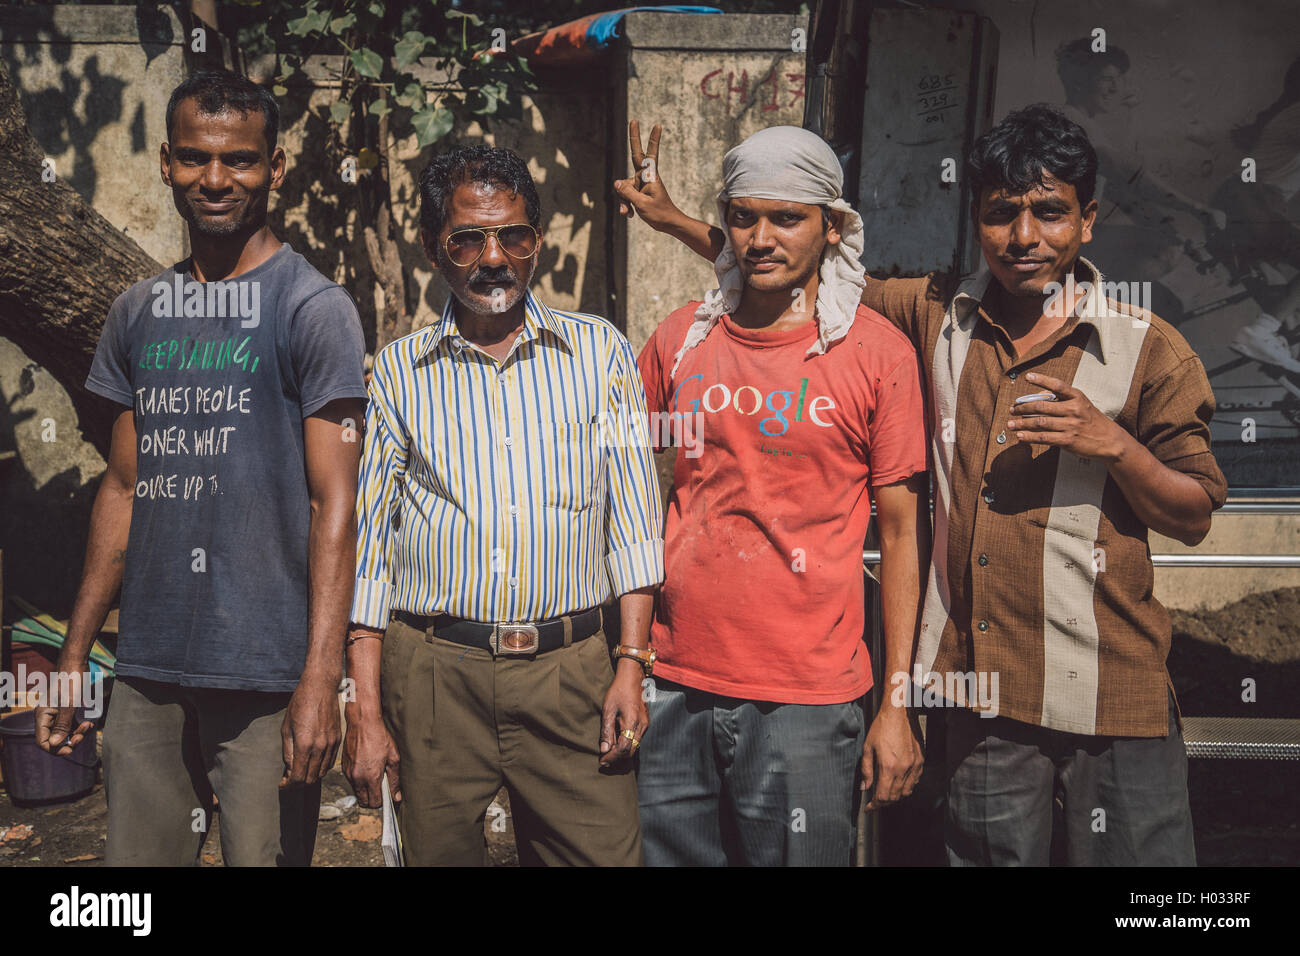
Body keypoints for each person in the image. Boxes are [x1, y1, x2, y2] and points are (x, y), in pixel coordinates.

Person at [623, 105, 1228, 866]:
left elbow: (1196, 514)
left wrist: (1115, 447)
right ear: (976, 219)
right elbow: (790, 256)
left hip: (1110, 685)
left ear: (1088, 220)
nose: (1024, 237)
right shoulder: (940, 316)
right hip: (979, 698)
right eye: (1002, 214)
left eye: (1050, 213)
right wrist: (676, 220)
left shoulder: (1148, 348)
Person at [37, 69, 367, 866]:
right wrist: (76, 652)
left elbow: (336, 505)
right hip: (149, 668)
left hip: (264, 675)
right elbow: (122, 486)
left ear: (275, 169)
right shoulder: (138, 311)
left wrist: (321, 681)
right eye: (194, 158)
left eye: (240, 160)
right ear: (165, 163)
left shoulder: (312, 309)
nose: (215, 179)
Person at [342, 144, 664, 866]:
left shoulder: (601, 353)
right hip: (433, 676)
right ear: (433, 249)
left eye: (512, 235)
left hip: (572, 670)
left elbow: (636, 524)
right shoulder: (400, 370)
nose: (494, 257)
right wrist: (364, 706)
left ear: (536, 242)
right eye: (467, 239)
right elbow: (370, 550)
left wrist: (631, 664)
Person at [618, 125, 929, 866]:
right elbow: (618, 484)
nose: (761, 237)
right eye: (742, 216)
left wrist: (896, 703)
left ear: (831, 226)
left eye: (786, 218)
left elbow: (905, 538)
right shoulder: (680, 343)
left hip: (808, 702)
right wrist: (628, 660)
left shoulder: (877, 355)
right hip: (674, 687)